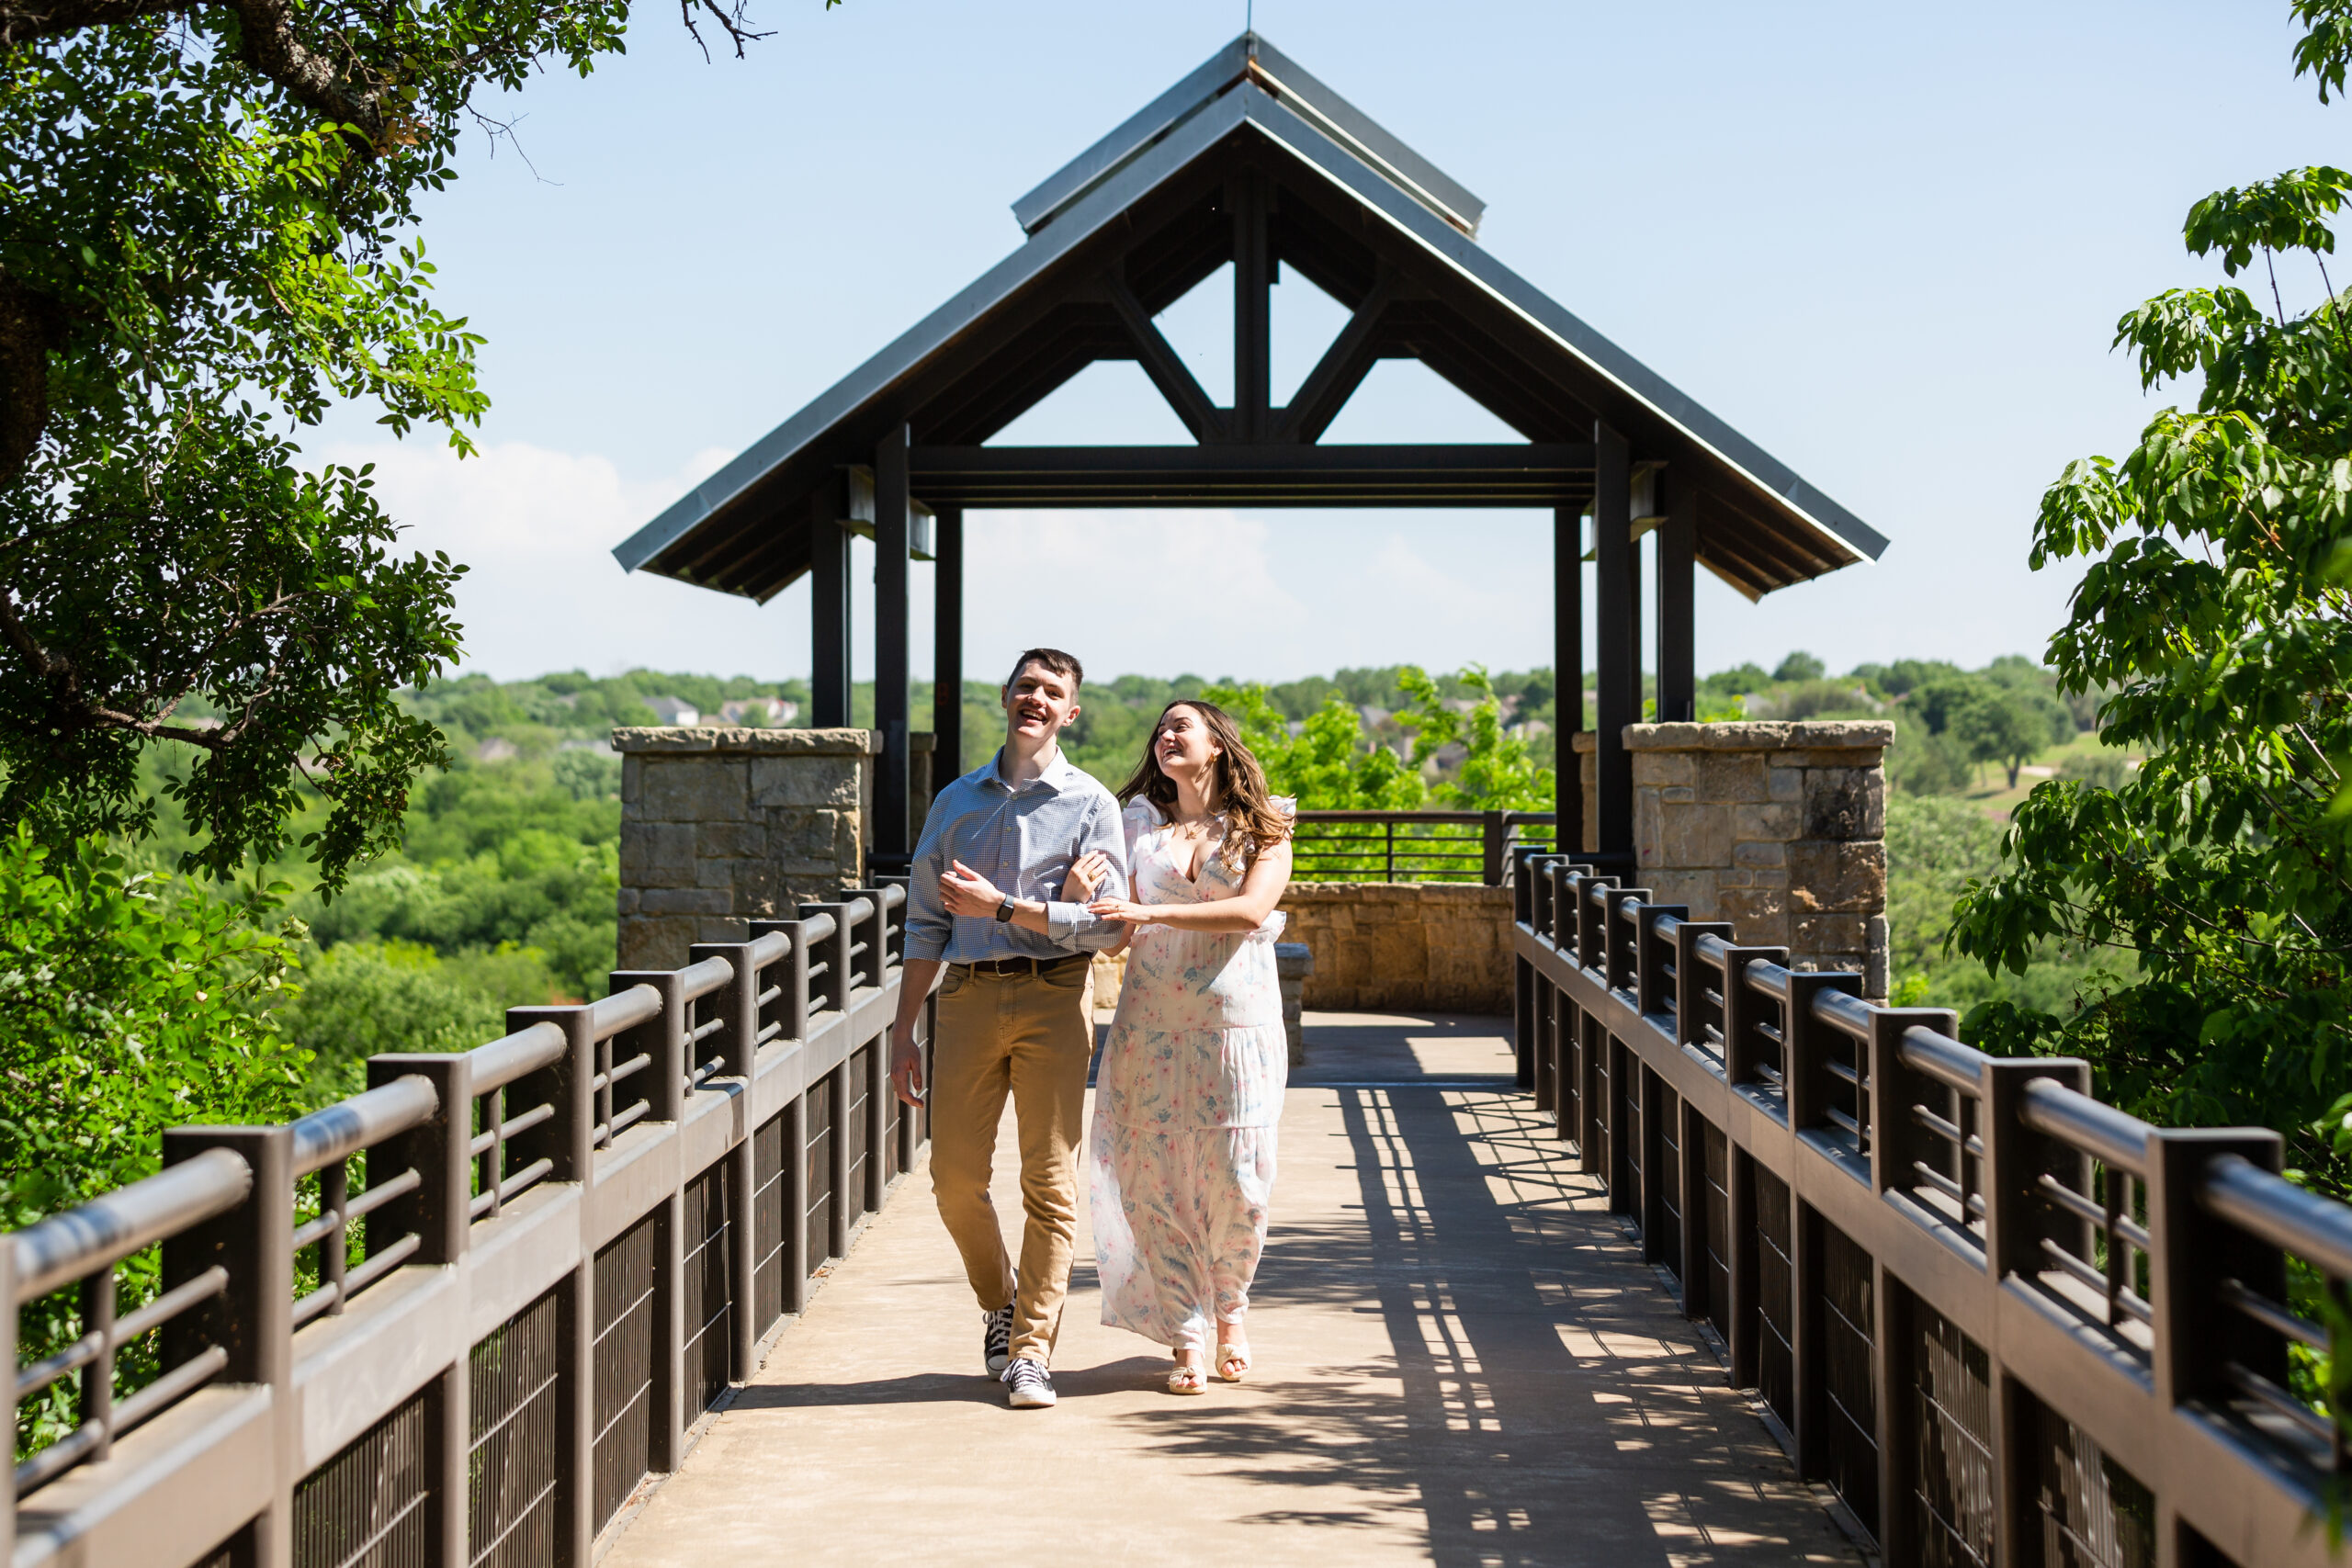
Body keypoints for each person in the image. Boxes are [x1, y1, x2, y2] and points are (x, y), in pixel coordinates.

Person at [888, 649, 1127, 1411]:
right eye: (1027, 685)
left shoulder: (1092, 806)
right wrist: (903, 1032)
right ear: (1006, 696)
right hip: (964, 997)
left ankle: (1031, 1350)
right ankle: (1000, 1303)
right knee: (953, 1178)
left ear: (1071, 712)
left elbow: (1108, 931)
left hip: (1057, 998)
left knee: (1048, 1183)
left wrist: (1023, 905)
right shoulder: (956, 802)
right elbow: (925, 922)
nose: (1037, 698)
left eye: (1053, 692)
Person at [1074, 698, 1295, 1394]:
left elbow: (1252, 911)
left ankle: (1232, 1313)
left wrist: (1150, 909)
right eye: (1161, 729)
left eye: (1181, 727)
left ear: (1218, 747)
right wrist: (1086, 897)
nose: (1166, 736)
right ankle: (1187, 1335)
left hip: (1238, 1034)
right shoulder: (1137, 828)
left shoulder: (1265, 827)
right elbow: (1115, 934)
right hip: (1151, 1031)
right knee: (1155, 1181)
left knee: (1239, 1182)